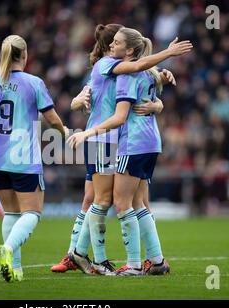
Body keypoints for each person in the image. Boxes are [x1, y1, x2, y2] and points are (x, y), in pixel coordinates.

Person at [54, 24, 191, 275]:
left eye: (117, 42)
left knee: (116, 200)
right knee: (101, 199)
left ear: (127, 48)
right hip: (106, 139)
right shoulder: (109, 65)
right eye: (112, 42)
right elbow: (136, 70)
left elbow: (139, 78)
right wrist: (165, 61)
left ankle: (96, 258)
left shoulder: (126, 71)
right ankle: (87, 256)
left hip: (119, 138)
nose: (112, 46)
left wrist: (158, 94)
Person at [0, 35, 67, 283]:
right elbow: (53, 119)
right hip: (24, 157)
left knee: (11, 214)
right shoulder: (33, 83)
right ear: (24, 55)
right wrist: (66, 134)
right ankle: (9, 249)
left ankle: (17, 269)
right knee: (32, 213)